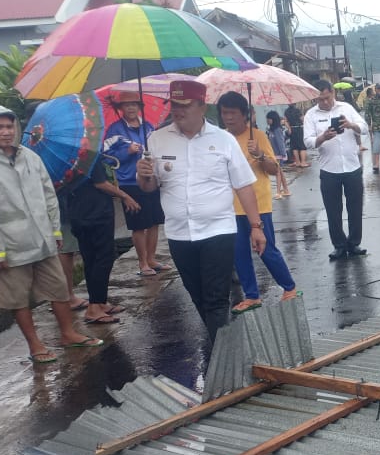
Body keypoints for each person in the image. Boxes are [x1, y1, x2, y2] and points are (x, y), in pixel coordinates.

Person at [0, 105, 103, 363]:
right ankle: (35, 344)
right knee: (19, 298)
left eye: (9, 126)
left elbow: (48, 194)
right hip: (9, 244)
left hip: (42, 238)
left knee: (59, 289)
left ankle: (68, 333)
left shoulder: (29, 156)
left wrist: (55, 229)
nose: (6, 132)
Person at [135, 80, 267, 344]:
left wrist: (255, 226)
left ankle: (224, 359)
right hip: (179, 234)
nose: (177, 111)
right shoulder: (157, 140)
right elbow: (149, 188)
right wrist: (144, 176)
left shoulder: (224, 140)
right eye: (174, 105)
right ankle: (222, 347)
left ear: (201, 106)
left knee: (216, 299)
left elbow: (243, 186)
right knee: (197, 295)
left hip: (218, 231)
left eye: (184, 105)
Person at [217, 92, 299, 314]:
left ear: (245, 114)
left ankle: (289, 287)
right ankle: (252, 296)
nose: (228, 118)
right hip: (231, 206)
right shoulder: (221, 138)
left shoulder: (258, 136)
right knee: (239, 253)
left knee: (265, 248)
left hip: (258, 204)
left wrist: (260, 154)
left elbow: (274, 169)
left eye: (233, 113)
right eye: (225, 113)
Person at [103, 91, 168, 277]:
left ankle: (152, 258)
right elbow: (106, 157)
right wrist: (127, 152)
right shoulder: (115, 130)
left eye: (135, 104)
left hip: (151, 178)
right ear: (120, 108)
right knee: (139, 224)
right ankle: (142, 263)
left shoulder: (148, 126)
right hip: (129, 182)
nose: (131, 107)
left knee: (155, 221)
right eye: (127, 104)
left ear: (140, 106)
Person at [304, 80, 369, 261]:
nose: (324, 102)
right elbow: (308, 142)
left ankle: (354, 243)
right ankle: (339, 245)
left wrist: (351, 125)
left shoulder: (346, 108)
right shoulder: (311, 115)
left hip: (352, 166)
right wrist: (323, 137)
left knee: (355, 208)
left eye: (327, 97)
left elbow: (364, 128)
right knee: (333, 210)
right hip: (329, 169)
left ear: (333, 93)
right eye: (320, 99)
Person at [68, 159, 135, 324]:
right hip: (96, 214)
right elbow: (100, 183)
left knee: (91, 260)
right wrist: (125, 195)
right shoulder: (89, 153)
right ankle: (94, 307)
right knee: (103, 258)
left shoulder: (69, 157)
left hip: (78, 212)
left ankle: (99, 302)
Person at [265, 111, 292, 198]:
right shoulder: (271, 130)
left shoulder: (277, 130)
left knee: (277, 173)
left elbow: (281, 143)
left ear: (273, 119)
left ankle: (278, 192)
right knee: (280, 172)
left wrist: (283, 155)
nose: (267, 121)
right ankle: (286, 190)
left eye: (269, 119)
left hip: (279, 155)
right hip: (274, 154)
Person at [284, 103, 309, 168]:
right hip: (299, 128)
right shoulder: (298, 110)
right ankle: (303, 162)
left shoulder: (286, 111)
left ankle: (297, 162)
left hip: (292, 129)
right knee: (302, 146)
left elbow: (285, 121)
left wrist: (289, 128)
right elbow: (302, 119)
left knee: (294, 146)